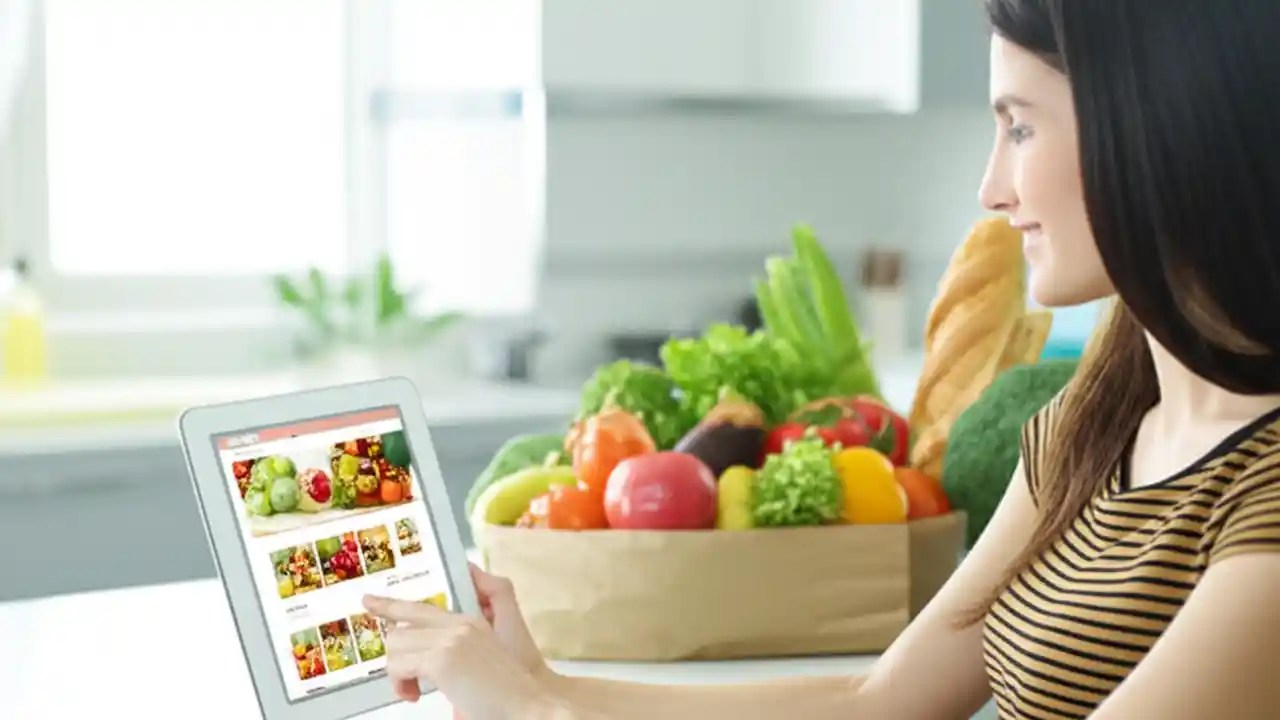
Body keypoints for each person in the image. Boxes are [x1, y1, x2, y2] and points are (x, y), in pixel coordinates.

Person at [361, 1, 1280, 717]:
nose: (990, 185)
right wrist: (550, 687)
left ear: (1156, 127)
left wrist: (538, 715)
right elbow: (876, 704)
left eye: (1022, 127)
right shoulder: (1099, 416)